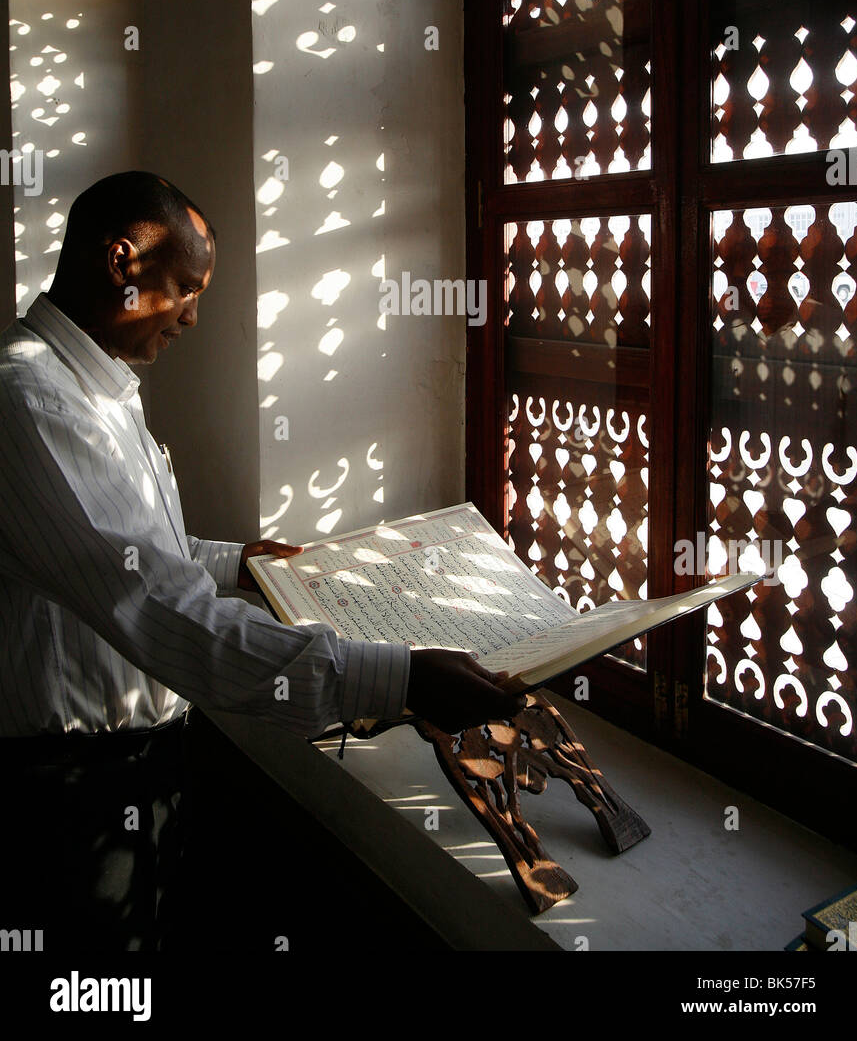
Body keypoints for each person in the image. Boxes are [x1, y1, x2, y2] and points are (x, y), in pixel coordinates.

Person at [0, 170, 523, 951]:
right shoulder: (30, 402)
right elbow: (148, 608)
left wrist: (234, 562)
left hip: (141, 761)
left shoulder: (98, 386)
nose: (194, 316)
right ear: (123, 264)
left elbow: (135, 558)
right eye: (185, 287)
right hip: (73, 786)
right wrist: (400, 678)